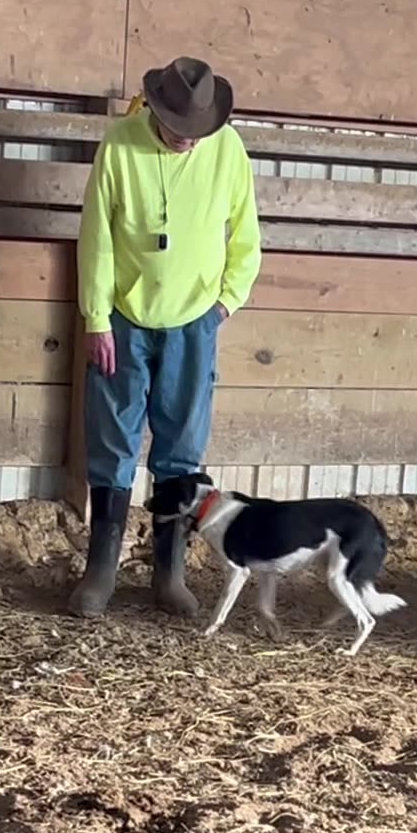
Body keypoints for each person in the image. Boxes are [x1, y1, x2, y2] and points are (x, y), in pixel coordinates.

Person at [68, 55, 262, 618]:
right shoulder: (120, 145)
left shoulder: (228, 151)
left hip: (194, 316)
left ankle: (168, 573)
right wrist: (96, 317)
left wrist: (227, 300)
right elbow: (96, 235)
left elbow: (246, 232)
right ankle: (100, 569)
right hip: (125, 315)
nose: (190, 141)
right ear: (155, 110)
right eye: (180, 129)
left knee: (182, 444)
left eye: (199, 131)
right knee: (111, 435)